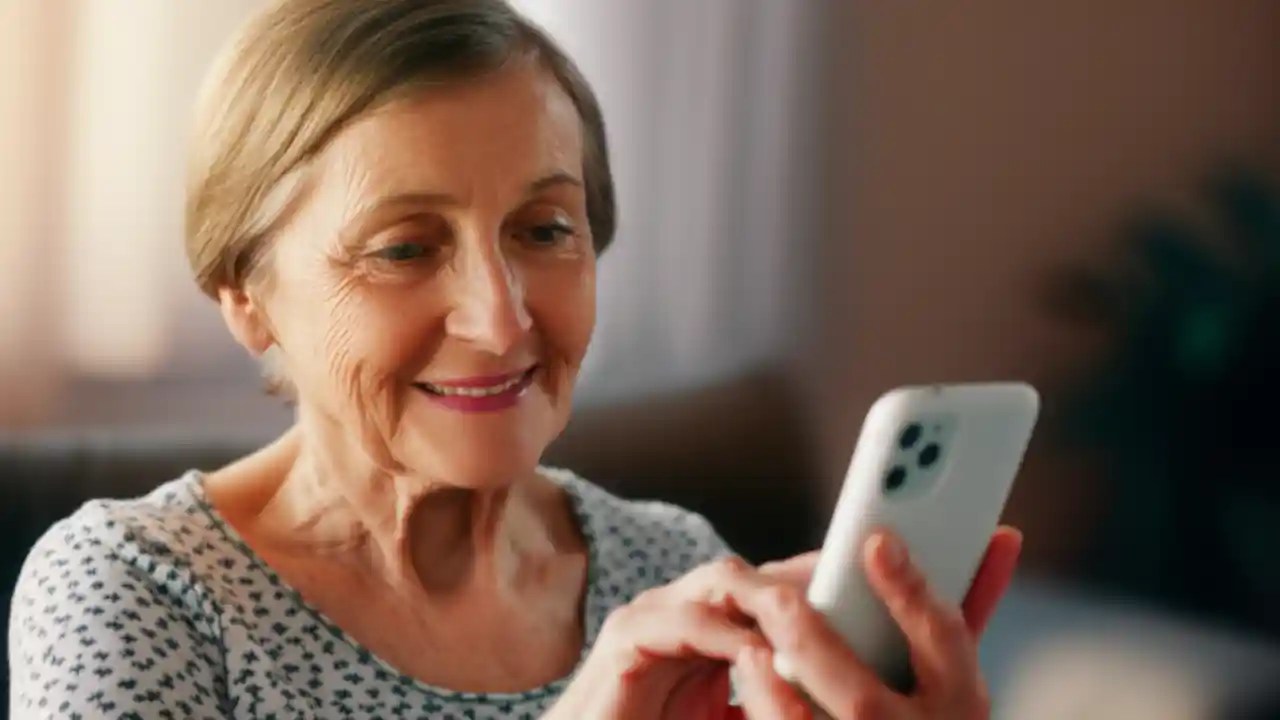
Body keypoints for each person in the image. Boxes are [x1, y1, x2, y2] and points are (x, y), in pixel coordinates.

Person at [8, 1, 1021, 717]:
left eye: (544, 231)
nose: (500, 320)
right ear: (245, 295)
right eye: (404, 249)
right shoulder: (133, 592)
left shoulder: (673, 568)